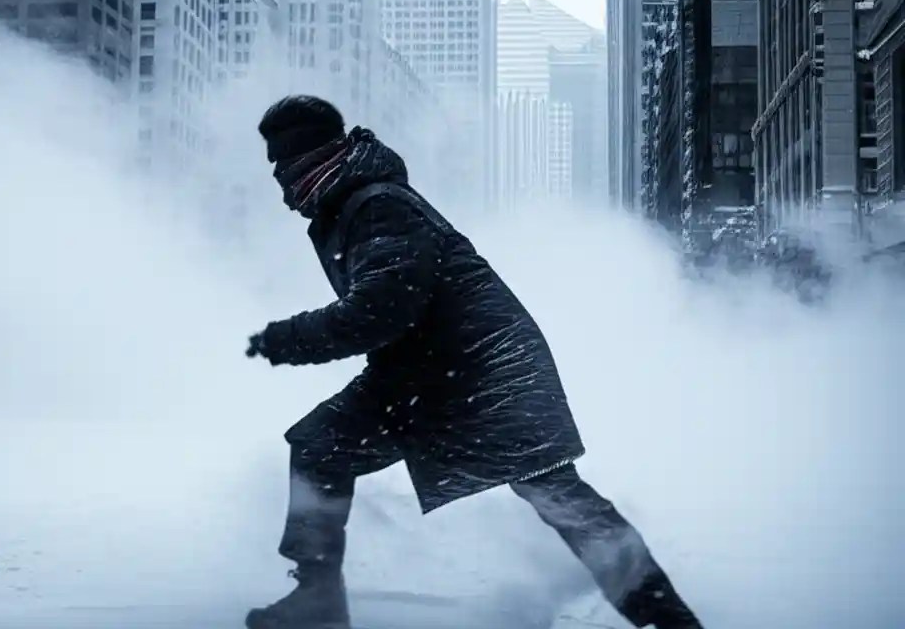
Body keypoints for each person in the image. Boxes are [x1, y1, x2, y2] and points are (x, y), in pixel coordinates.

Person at [243, 95, 703, 629]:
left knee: (557, 494)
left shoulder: (377, 204)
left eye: (283, 162)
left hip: (491, 375)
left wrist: (287, 338)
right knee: (321, 446)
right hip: (429, 375)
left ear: (313, 156)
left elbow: (377, 313)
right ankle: (316, 600)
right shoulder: (346, 203)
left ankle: (668, 620)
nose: (278, 177)